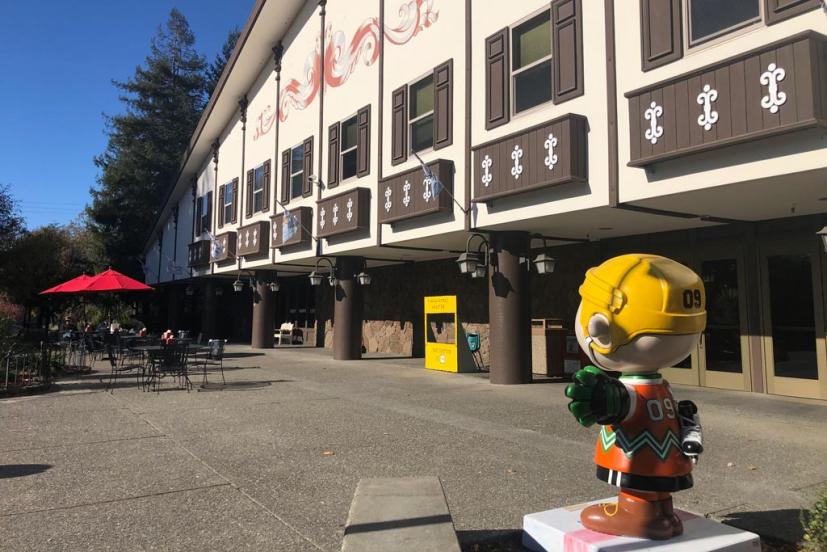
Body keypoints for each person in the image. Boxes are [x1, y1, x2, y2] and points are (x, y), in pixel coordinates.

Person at [565, 254, 706, 540]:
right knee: (657, 480)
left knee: (640, 479)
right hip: (668, 447)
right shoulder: (660, 386)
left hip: (636, 453)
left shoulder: (636, 388)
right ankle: (664, 513)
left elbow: (620, 403)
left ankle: (636, 516)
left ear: (601, 327)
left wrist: (601, 399)